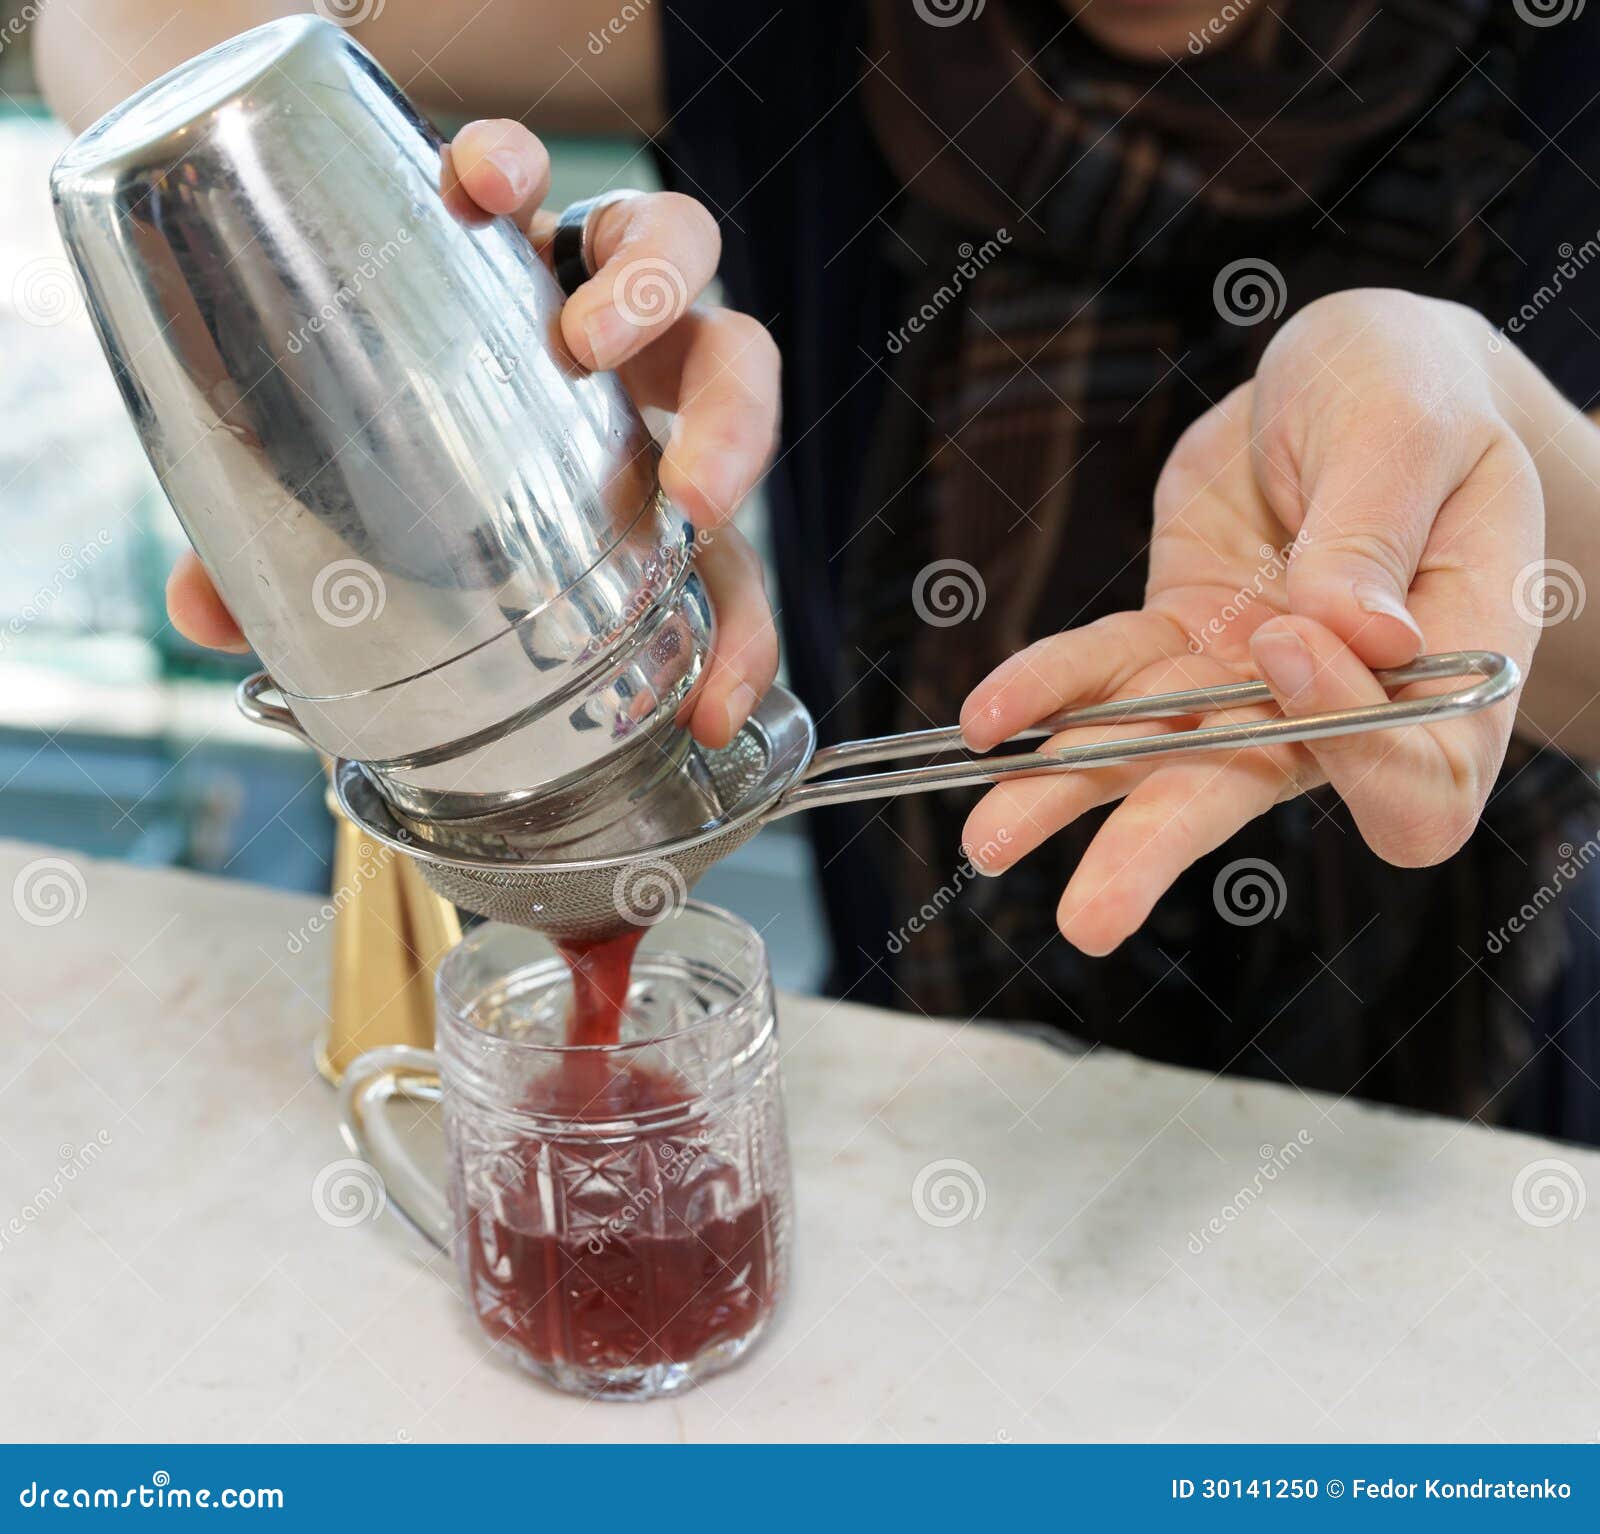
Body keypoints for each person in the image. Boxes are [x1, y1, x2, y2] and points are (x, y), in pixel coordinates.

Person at [38, 1, 1600, 1141]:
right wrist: (426, 342)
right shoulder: (794, 25)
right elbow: (130, 22)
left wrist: (1486, 420)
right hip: (942, 1121)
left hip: (1509, 1155)